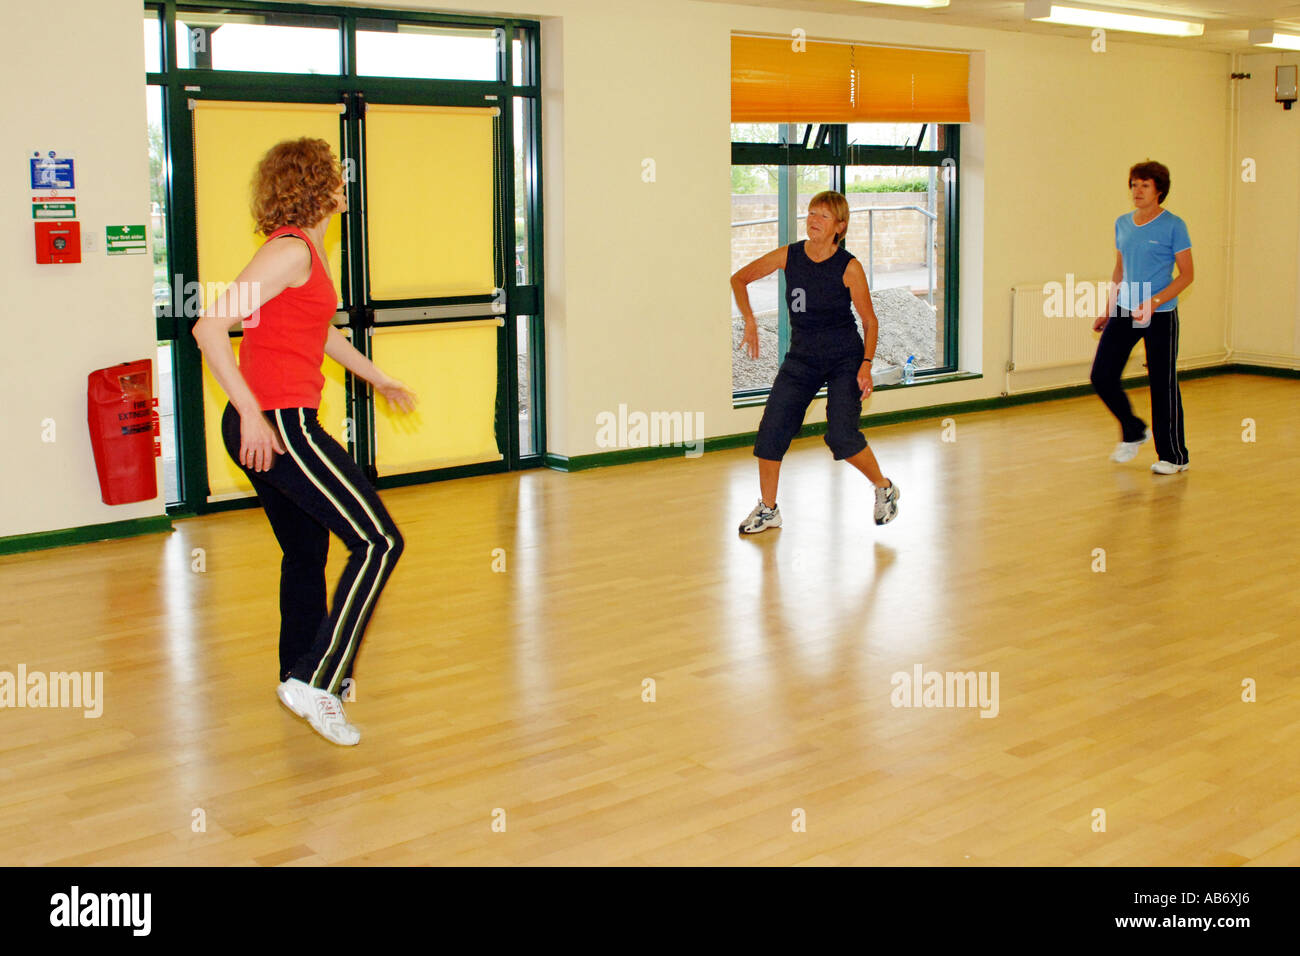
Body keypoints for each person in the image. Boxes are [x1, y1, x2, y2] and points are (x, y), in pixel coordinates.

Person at [193, 138, 416, 746]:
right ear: (316, 185)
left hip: (274, 420)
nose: (345, 182)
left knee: (305, 551)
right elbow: (209, 327)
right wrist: (252, 413)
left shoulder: (306, 252)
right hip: (279, 424)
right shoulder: (290, 250)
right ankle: (319, 681)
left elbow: (318, 333)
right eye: (335, 174)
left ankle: (298, 673)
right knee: (380, 542)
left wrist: (378, 378)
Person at [731, 190, 899, 534]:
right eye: (811, 213)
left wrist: (866, 364)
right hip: (802, 357)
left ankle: (884, 487)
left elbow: (869, 321)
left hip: (844, 359)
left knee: (841, 437)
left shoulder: (849, 267)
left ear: (840, 226)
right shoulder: (790, 255)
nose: (814, 220)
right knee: (771, 431)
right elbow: (739, 278)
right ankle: (768, 509)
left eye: (824, 216)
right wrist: (749, 319)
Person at [1091, 160, 1194, 474]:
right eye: (1134, 184)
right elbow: (1120, 270)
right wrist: (1108, 309)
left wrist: (1155, 301)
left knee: (1162, 384)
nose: (1137, 190)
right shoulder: (1122, 223)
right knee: (1102, 376)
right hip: (1125, 310)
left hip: (1160, 314)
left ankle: (1174, 457)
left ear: (1159, 190)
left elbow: (1186, 275)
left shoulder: (1174, 225)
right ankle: (1134, 429)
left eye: (1144, 185)